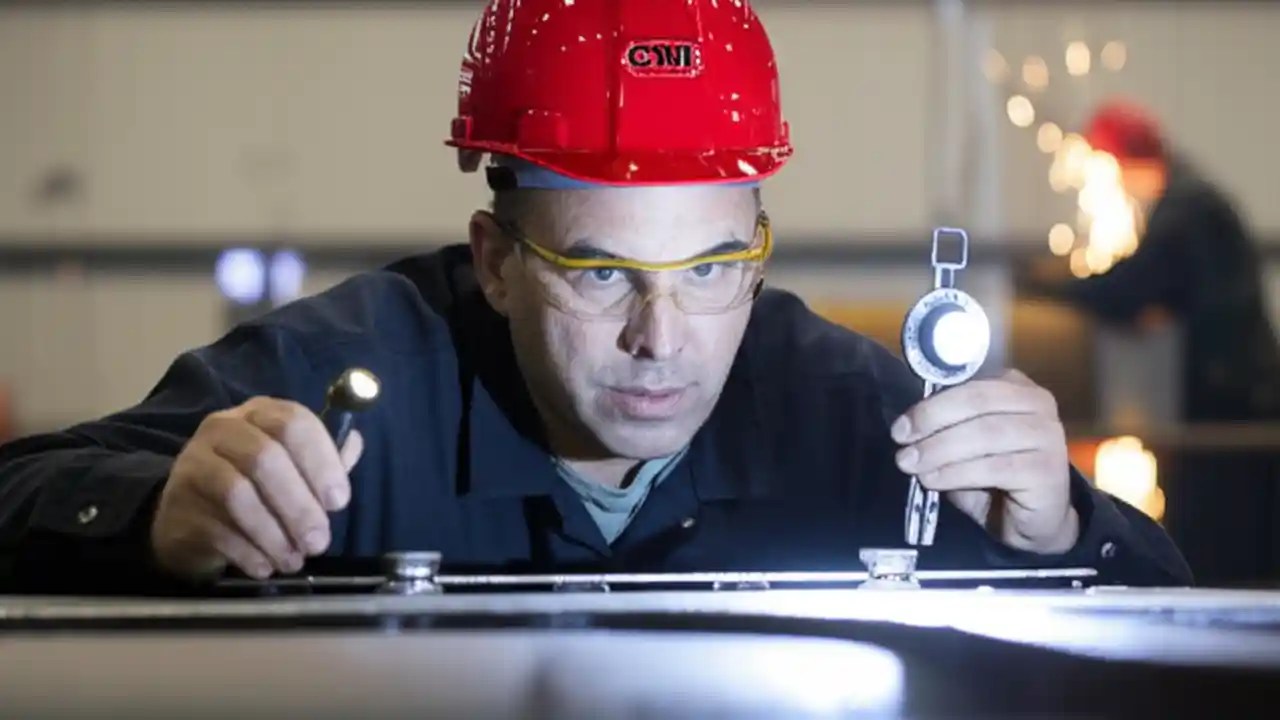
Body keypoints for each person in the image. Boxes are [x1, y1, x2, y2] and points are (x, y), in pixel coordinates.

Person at [0, 0, 1190, 594]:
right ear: (495, 259)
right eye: (599, 271)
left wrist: (1057, 533)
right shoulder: (344, 375)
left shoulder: (853, 411)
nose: (658, 336)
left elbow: (1175, 630)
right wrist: (158, 510)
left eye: (710, 270)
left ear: (758, 254)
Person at [1045, 99, 1280, 422]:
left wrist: (1050, 287)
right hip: (1236, 383)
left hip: (1232, 395)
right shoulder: (1191, 200)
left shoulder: (1186, 212)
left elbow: (1127, 290)